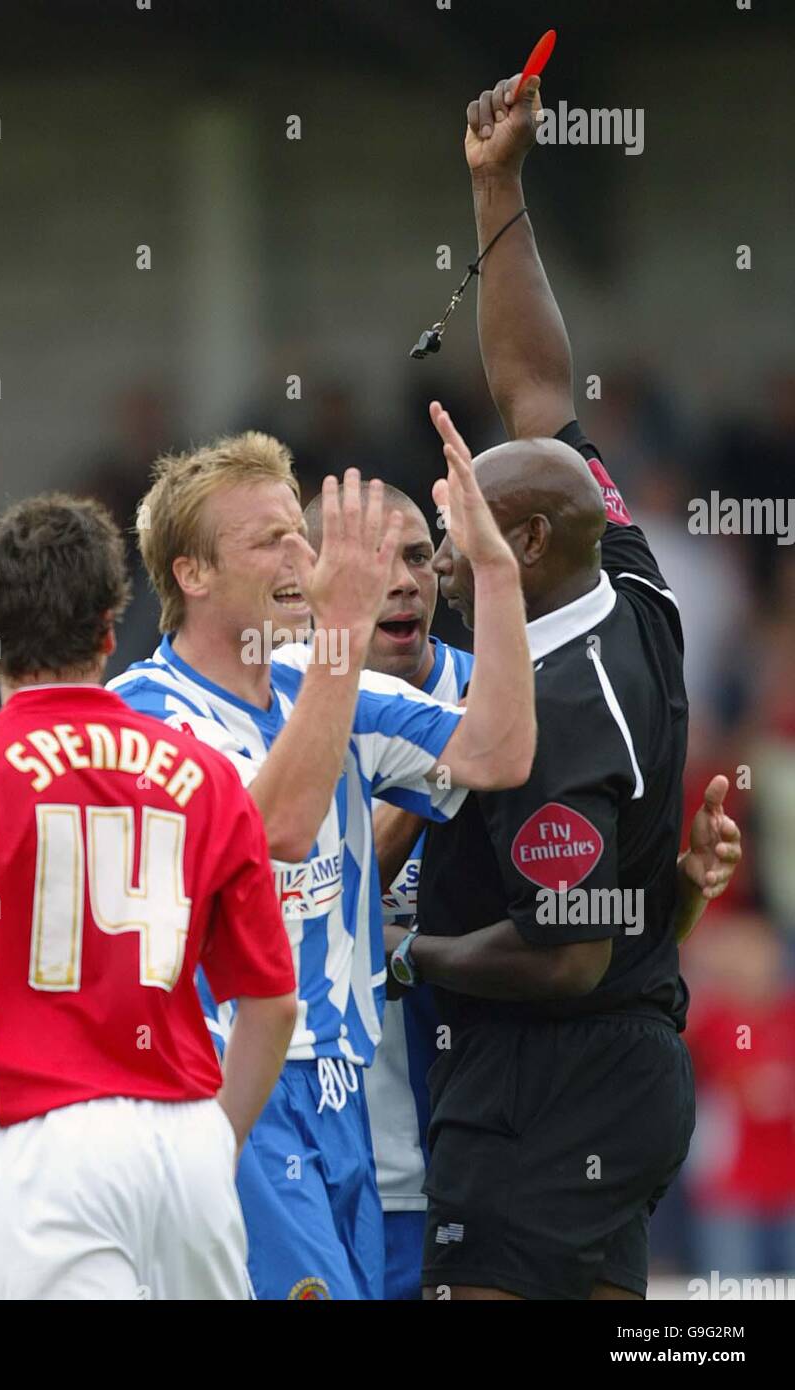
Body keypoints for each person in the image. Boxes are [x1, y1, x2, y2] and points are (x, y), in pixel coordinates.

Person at [382, 68, 742, 1301]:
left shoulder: (564, 716)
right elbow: (540, 394)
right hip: (615, 1065)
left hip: (558, 1073)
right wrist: (497, 187)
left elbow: (565, 955)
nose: (439, 552)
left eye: (461, 525)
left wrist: (402, 951)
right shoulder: (620, 571)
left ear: (525, 546)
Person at [0, 492, 298, 1301]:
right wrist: (216, 1140)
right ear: (110, 627)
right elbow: (273, 1005)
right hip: (188, 1149)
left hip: (39, 1151)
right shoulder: (205, 772)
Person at [107, 430, 535, 1299]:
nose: (304, 555)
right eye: (271, 539)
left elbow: (499, 752)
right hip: (227, 1088)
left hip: (344, 1100)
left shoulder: (321, 677)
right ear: (193, 575)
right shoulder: (143, 719)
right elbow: (279, 827)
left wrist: (495, 575)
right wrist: (342, 633)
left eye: (299, 534)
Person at [305, 483, 742, 1302]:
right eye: (372, 561)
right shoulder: (270, 715)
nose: (406, 579)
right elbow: (297, 918)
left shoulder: (521, 696)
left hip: (497, 1138)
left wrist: (676, 894)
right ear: (311, 584)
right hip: (332, 1155)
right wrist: (447, 776)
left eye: (415, 554)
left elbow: (576, 944)